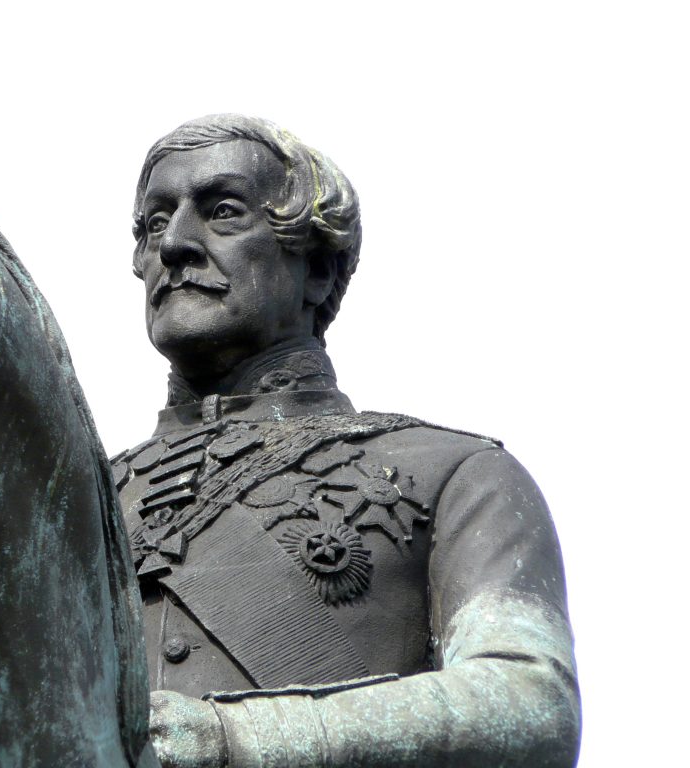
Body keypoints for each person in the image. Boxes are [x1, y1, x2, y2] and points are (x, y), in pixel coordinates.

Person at [110, 114, 580, 767]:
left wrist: (238, 742)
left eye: (221, 212)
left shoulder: (453, 474)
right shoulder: (73, 501)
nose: (174, 245)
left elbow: (530, 706)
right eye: (153, 224)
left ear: (320, 272)